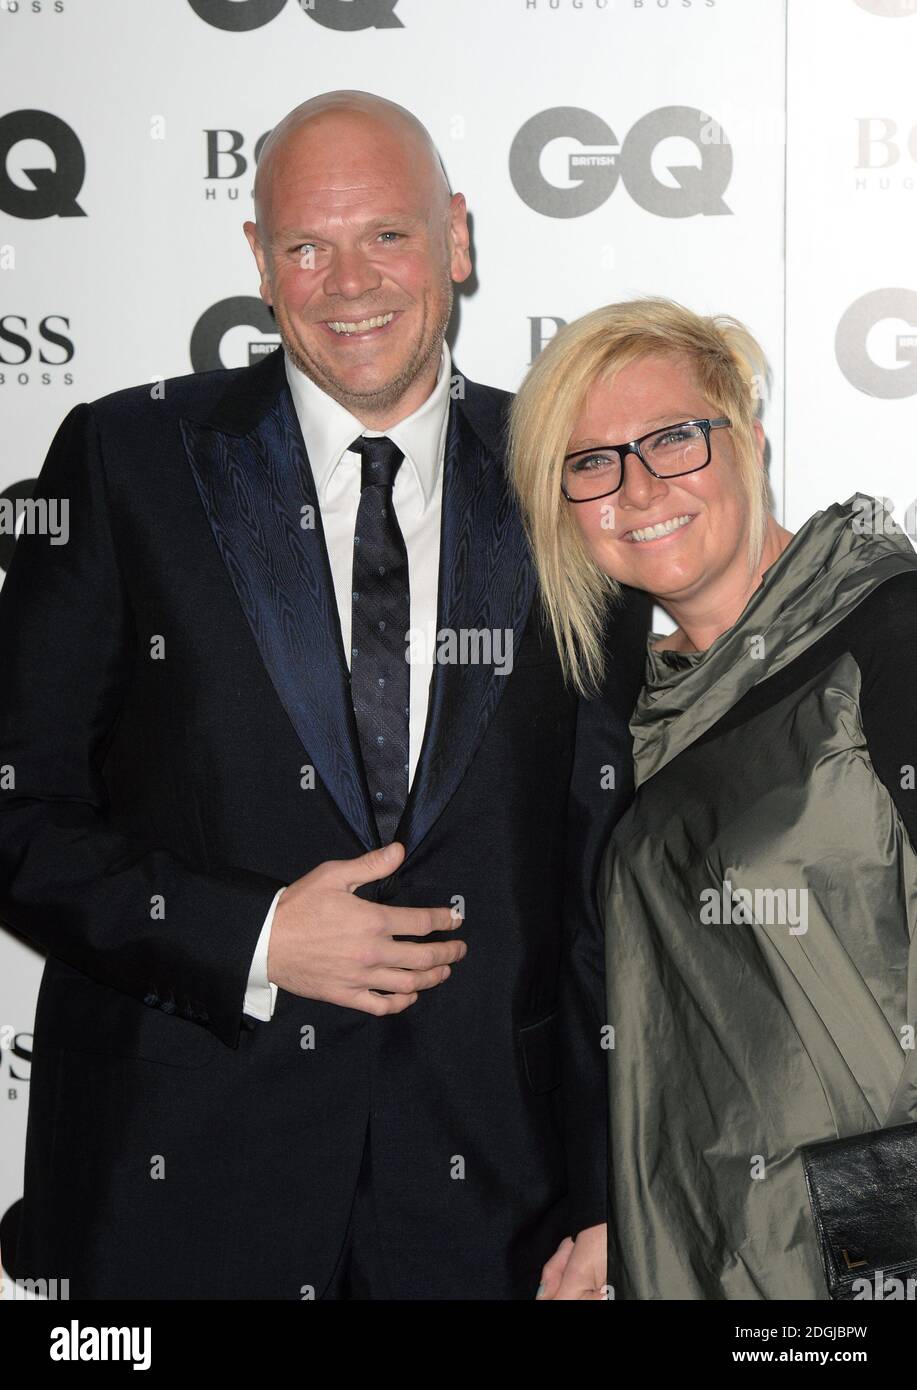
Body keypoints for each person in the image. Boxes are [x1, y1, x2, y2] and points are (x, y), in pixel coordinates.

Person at [0, 92, 649, 1300]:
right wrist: (250, 937)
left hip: (492, 1206)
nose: (347, 283)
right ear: (258, 260)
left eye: (387, 237)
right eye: (306, 246)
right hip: (181, 1195)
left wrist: (613, 1200)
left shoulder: (570, 484)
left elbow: (603, 886)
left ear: (455, 238)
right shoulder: (124, 460)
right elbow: (16, 807)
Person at [509, 295, 917, 1299]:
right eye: (592, 461)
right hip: (705, 1264)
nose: (637, 487)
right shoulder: (622, 721)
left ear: (748, 437)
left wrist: (866, 1234)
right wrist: (623, 1216)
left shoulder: (889, 635)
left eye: (673, 439)